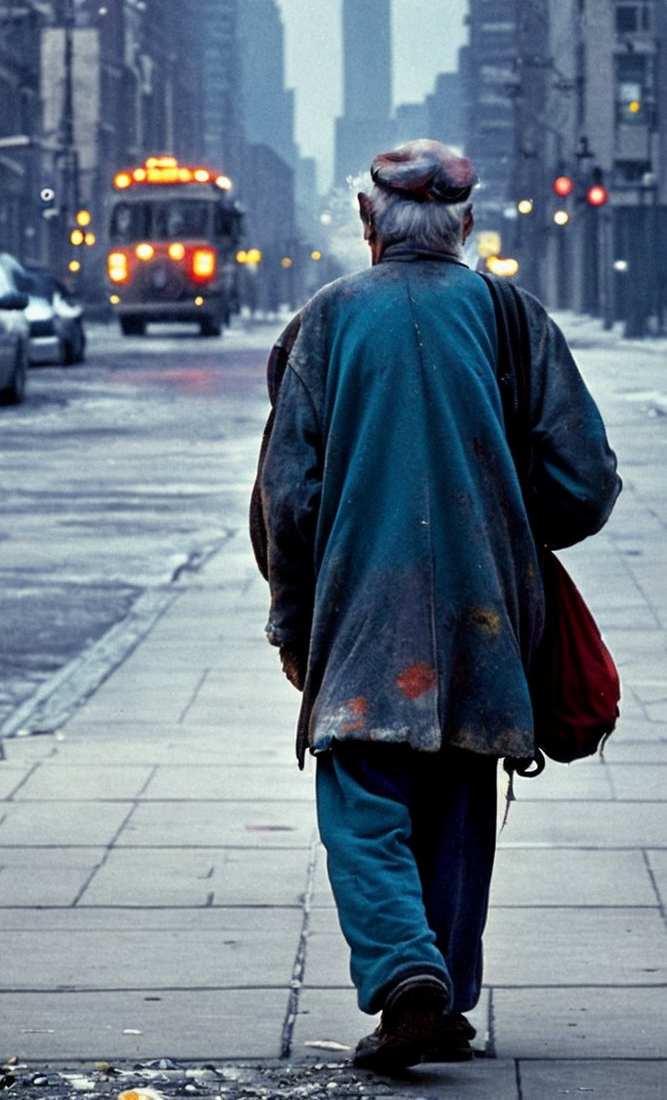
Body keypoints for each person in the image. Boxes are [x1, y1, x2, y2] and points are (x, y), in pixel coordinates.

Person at [250, 139, 621, 1075]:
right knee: (459, 798)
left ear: (369, 225)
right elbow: (585, 483)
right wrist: (498, 511)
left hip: (364, 615)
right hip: (486, 616)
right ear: (466, 226)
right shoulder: (510, 317)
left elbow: (287, 503)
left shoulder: (324, 325)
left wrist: (293, 627)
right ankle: (440, 996)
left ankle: (408, 977)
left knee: (361, 801)